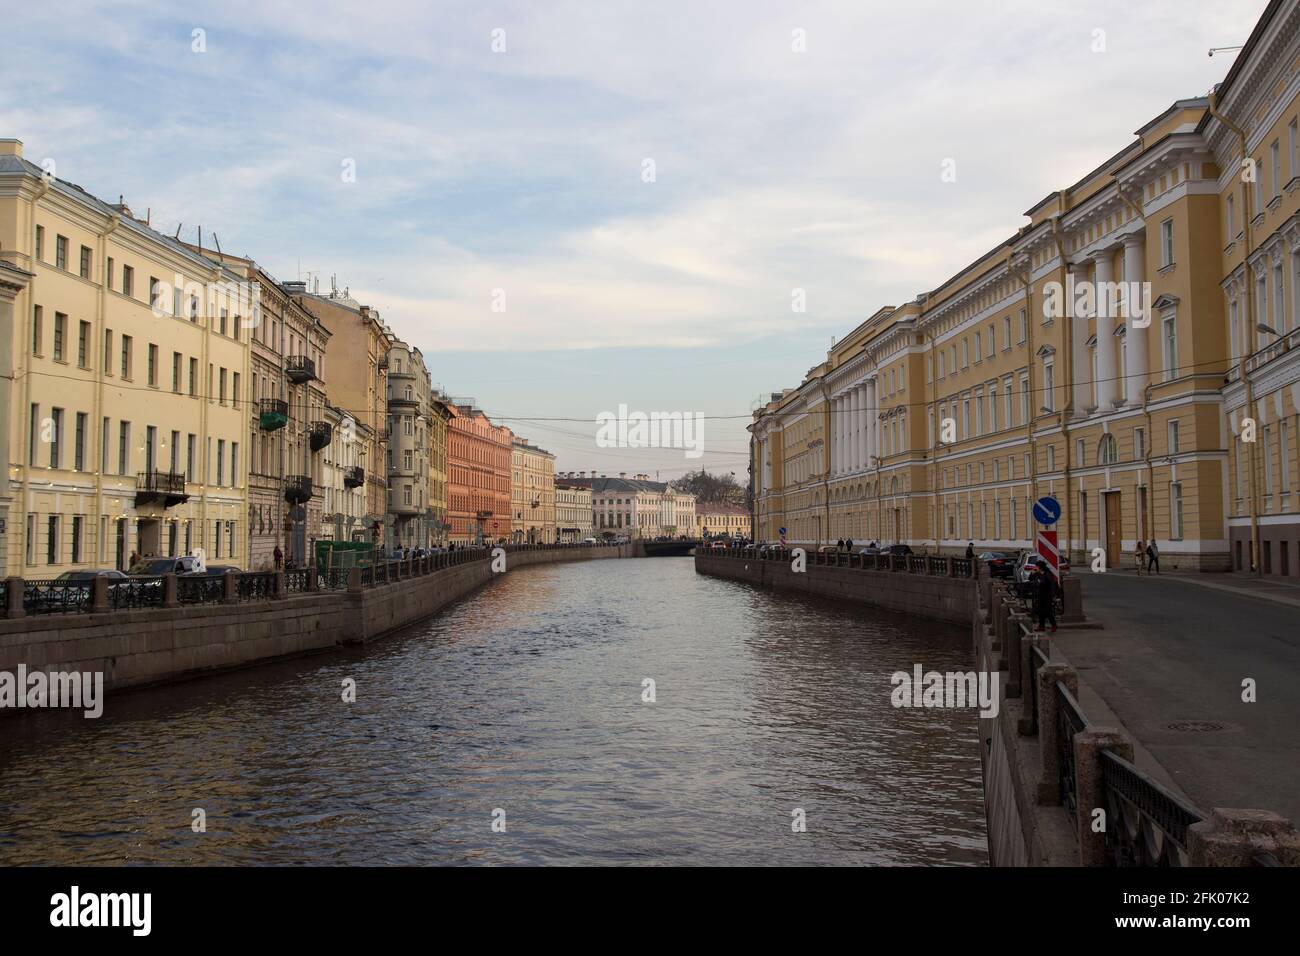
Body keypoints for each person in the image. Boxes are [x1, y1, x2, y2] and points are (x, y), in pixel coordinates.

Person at [1035, 567, 1058, 633]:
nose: (1036, 568)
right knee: (1040, 611)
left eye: (1037, 567)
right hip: (1040, 596)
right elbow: (1032, 580)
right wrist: (1032, 573)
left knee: (1048, 611)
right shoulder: (1038, 574)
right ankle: (1041, 626)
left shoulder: (1048, 574)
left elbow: (1051, 584)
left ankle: (1054, 625)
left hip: (1047, 596)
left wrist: (1053, 595)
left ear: (1041, 568)